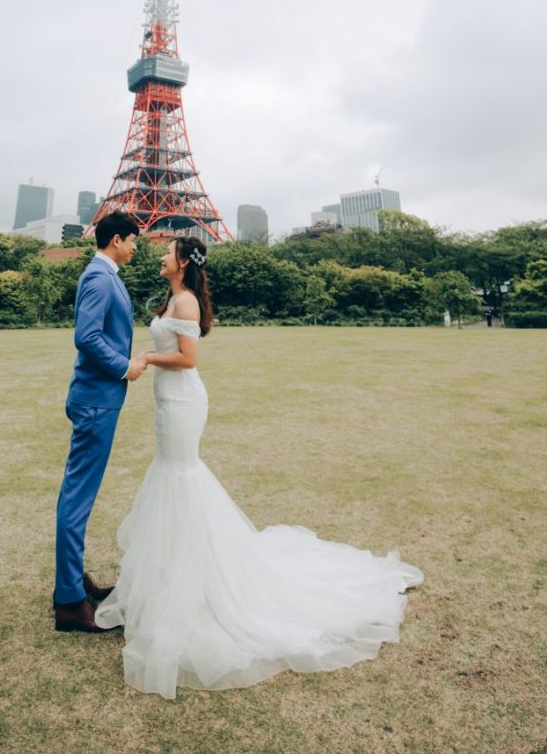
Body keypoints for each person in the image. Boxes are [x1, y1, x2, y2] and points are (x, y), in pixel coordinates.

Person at [95, 237, 424, 700]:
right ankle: (178, 573)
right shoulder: (173, 298)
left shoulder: (185, 302)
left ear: (184, 262)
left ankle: (199, 578)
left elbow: (189, 359)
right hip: (169, 401)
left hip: (183, 400)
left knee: (180, 477)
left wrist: (146, 356)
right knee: (173, 477)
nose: (160, 256)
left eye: (167, 252)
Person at [53, 211, 147, 633]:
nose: (135, 248)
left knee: (80, 496)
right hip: (96, 400)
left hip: (98, 398)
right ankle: (70, 602)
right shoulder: (99, 277)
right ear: (115, 240)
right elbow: (87, 337)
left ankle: (73, 584)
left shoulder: (105, 273)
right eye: (133, 241)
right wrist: (123, 367)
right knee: (77, 499)